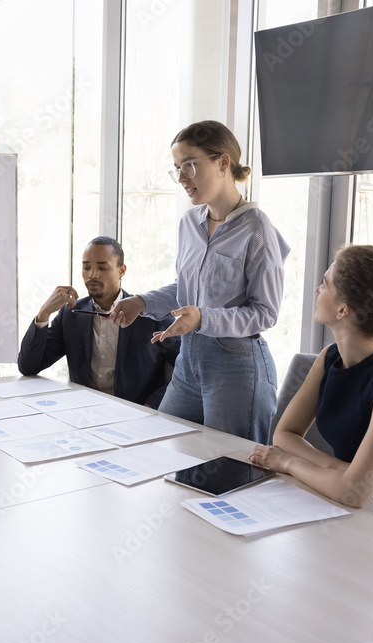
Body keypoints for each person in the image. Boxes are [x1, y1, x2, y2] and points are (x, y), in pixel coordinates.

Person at [109, 120, 290, 442]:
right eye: (177, 168)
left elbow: (265, 312)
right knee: (167, 453)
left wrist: (203, 317)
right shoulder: (189, 223)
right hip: (188, 361)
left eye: (190, 165)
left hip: (237, 367)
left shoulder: (257, 230)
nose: (181, 178)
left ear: (223, 163)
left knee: (230, 471)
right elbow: (187, 289)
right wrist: (143, 301)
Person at [248, 245, 373, 507]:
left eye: (324, 285)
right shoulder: (329, 357)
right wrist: (337, 467)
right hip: (338, 496)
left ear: (343, 309)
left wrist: (287, 462)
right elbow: (284, 434)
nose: (316, 290)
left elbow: (355, 493)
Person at [18, 237, 180, 408]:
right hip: (83, 411)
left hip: (134, 413)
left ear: (121, 271)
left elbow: (186, 371)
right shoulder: (71, 314)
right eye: (86, 267)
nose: (92, 274)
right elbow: (28, 366)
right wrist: (44, 313)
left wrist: (152, 404)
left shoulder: (149, 313)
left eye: (102, 267)